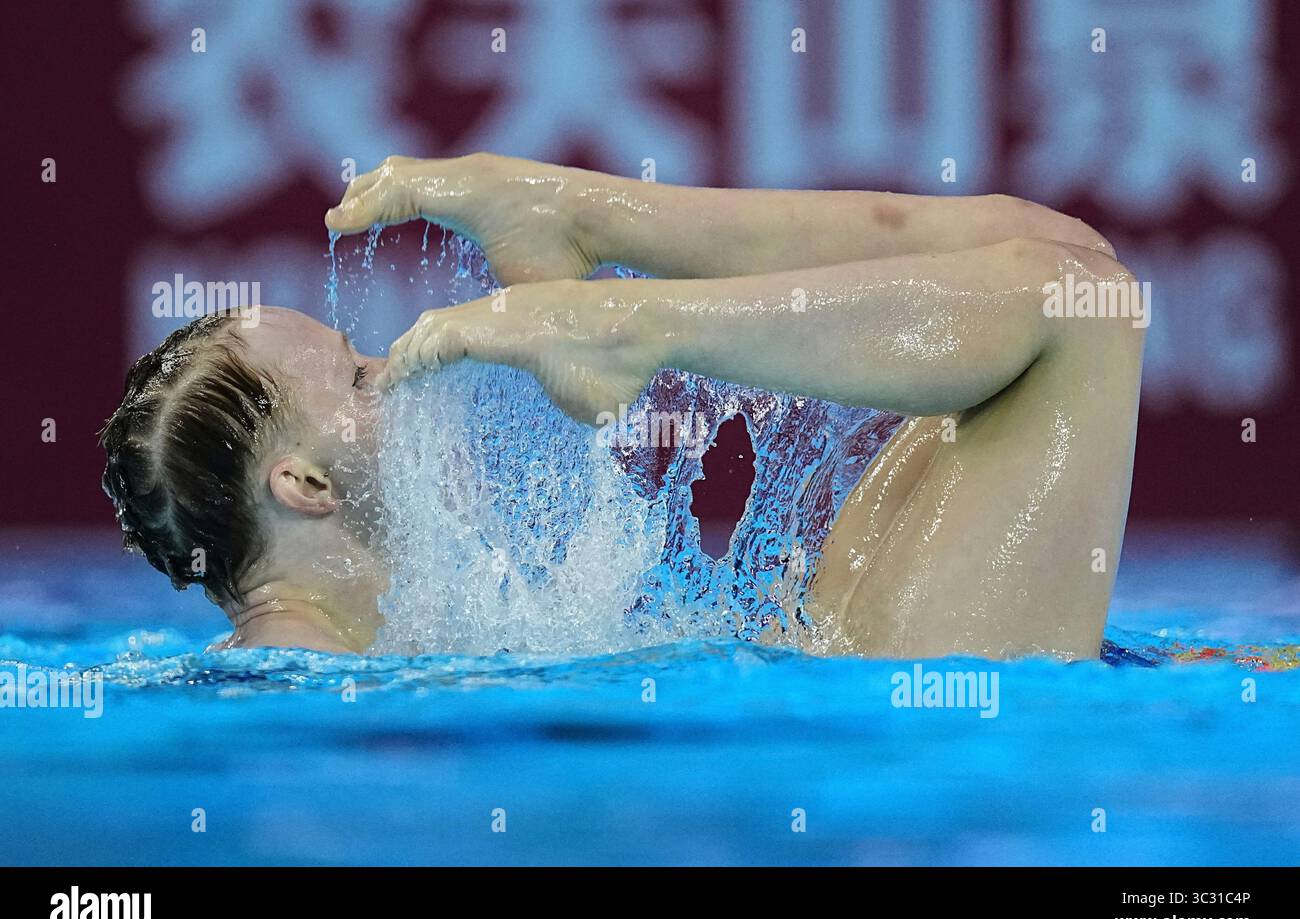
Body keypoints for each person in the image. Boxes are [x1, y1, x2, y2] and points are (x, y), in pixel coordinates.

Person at [102, 153, 1143, 658]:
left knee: (1068, 263)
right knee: (1079, 310)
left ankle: (582, 221)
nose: (405, 371)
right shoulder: (288, 669)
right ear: (306, 482)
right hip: (913, 735)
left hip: (843, 670)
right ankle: (631, 320)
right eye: (362, 376)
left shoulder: (401, 629)